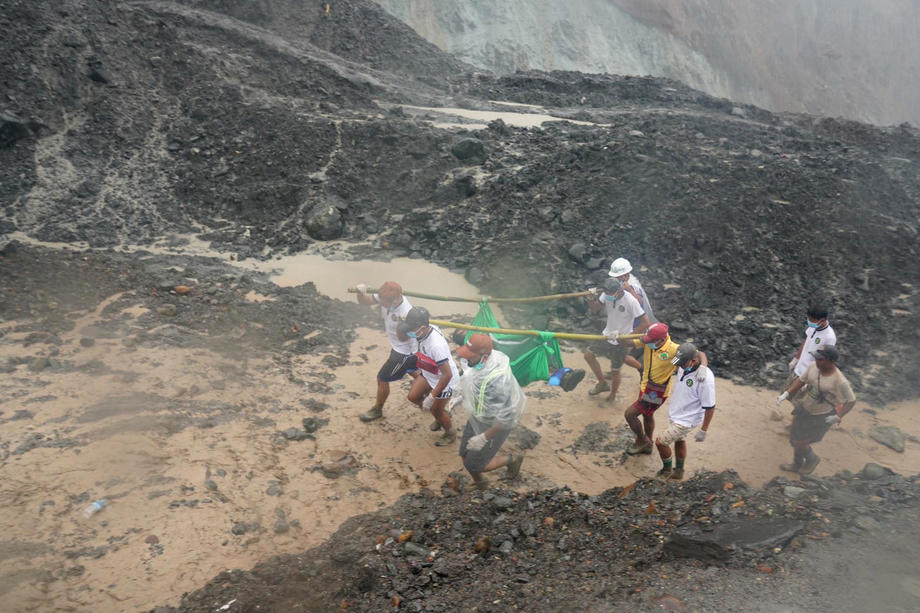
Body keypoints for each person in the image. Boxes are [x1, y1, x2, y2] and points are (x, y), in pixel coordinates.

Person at [456, 334, 526, 489]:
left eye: (471, 356)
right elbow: (470, 380)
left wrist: (484, 437)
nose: (467, 360)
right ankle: (480, 483)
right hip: (478, 416)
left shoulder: (498, 381)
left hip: (495, 424)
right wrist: (460, 396)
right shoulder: (476, 364)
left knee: (475, 465)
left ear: (485, 357)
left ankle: (513, 459)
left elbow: (505, 417)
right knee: (464, 454)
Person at [625, 323, 707, 455]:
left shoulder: (674, 350)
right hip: (646, 384)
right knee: (647, 415)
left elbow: (699, 354)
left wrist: (703, 367)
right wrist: (616, 338)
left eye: (651, 341)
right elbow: (629, 343)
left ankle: (642, 440)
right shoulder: (649, 340)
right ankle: (648, 444)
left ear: (662, 340)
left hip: (656, 392)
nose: (648, 343)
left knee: (629, 414)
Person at [775, 345, 855, 474]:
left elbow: (851, 401)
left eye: (821, 359)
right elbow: (801, 381)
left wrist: (838, 416)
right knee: (794, 439)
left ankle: (812, 459)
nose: (817, 361)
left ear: (830, 361)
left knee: (801, 442)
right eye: (817, 358)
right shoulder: (813, 367)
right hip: (804, 408)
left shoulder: (840, 382)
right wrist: (787, 393)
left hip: (821, 415)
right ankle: (796, 464)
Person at [354, 281, 417, 422]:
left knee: (382, 378)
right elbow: (365, 302)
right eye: (380, 300)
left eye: (383, 303)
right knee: (413, 371)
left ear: (395, 300)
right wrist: (360, 293)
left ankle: (377, 410)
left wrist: (402, 326)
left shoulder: (407, 313)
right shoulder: (386, 296)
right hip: (398, 348)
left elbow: (406, 338)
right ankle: (429, 389)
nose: (380, 304)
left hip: (404, 352)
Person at [654, 343, 716, 480]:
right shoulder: (686, 363)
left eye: (682, 364)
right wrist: (703, 364)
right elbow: (700, 353)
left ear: (693, 361)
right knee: (679, 440)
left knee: (660, 442)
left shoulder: (705, 380)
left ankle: (666, 470)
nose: (680, 366)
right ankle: (679, 471)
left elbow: (710, 407)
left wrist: (704, 430)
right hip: (677, 412)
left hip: (687, 420)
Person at [584, 277, 650, 401]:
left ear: (619, 291)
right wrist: (591, 298)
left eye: (609, 293)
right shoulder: (606, 294)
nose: (607, 296)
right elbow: (594, 309)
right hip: (607, 334)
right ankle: (602, 383)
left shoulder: (631, 301)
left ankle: (613, 395)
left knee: (615, 370)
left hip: (622, 340)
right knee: (588, 355)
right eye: (606, 293)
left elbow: (645, 323)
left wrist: (628, 338)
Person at [402, 306, 459, 446]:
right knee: (413, 396)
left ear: (422, 327)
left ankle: (450, 432)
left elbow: (447, 374)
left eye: (412, 329)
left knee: (435, 410)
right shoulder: (424, 330)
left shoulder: (436, 346)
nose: (410, 332)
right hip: (430, 372)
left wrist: (432, 396)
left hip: (444, 380)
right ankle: (441, 414)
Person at [777, 302, 837, 415]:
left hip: (810, 374)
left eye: (812, 320)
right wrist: (796, 359)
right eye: (809, 319)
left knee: (801, 404)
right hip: (799, 369)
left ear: (822, 320)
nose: (809, 322)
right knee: (786, 392)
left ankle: (797, 422)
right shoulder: (813, 327)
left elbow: (825, 360)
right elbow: (806, 341)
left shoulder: (829, 337)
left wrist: (812, 379)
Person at [608, 257, 656, 325]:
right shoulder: (614, 283)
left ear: (626, 276)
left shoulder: (633, 285)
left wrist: (629, 290)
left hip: (635, 321)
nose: (615, 279)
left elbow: (639, 302)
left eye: (618, 277)